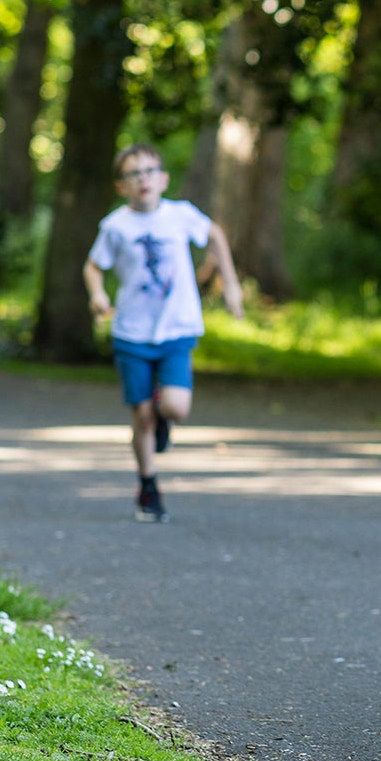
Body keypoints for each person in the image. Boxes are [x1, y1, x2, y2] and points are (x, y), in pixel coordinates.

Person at [83, 142, 244, 523]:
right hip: (132, 333)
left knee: (175, 408)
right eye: (133, 174)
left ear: (164, 179)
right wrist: (97, 294)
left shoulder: (180, 216)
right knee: (140, 418)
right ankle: (148, 485)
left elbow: (216, 235)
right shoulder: (115, 226)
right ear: (121, 186)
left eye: (150, 172)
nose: (143, 180)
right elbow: (93, 267)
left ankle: (163, 418)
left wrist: (231, 284)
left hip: (176, 327)